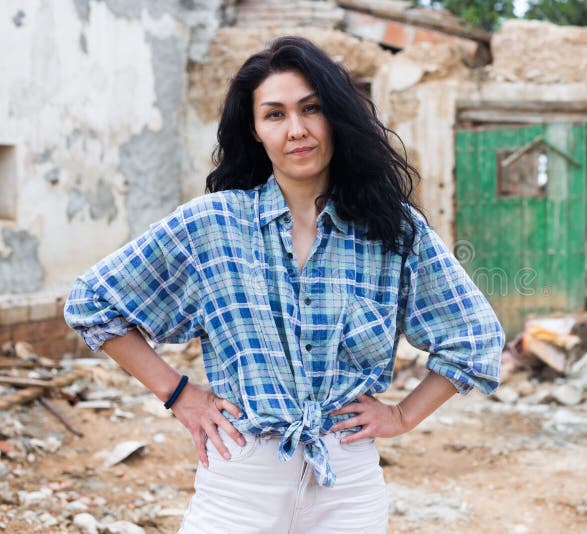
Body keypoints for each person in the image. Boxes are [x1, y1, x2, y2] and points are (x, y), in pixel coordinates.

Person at [63, 36, 505, 533]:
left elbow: (475, 337)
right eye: (275, 115)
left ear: (335, 116)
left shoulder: (392, 231)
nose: (297, 130)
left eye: (311, 109)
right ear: (254, 130)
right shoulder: (213, 224)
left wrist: (402, 416)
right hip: (239, 480)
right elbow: (91, 302)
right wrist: (179, 394)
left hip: (348, 487)